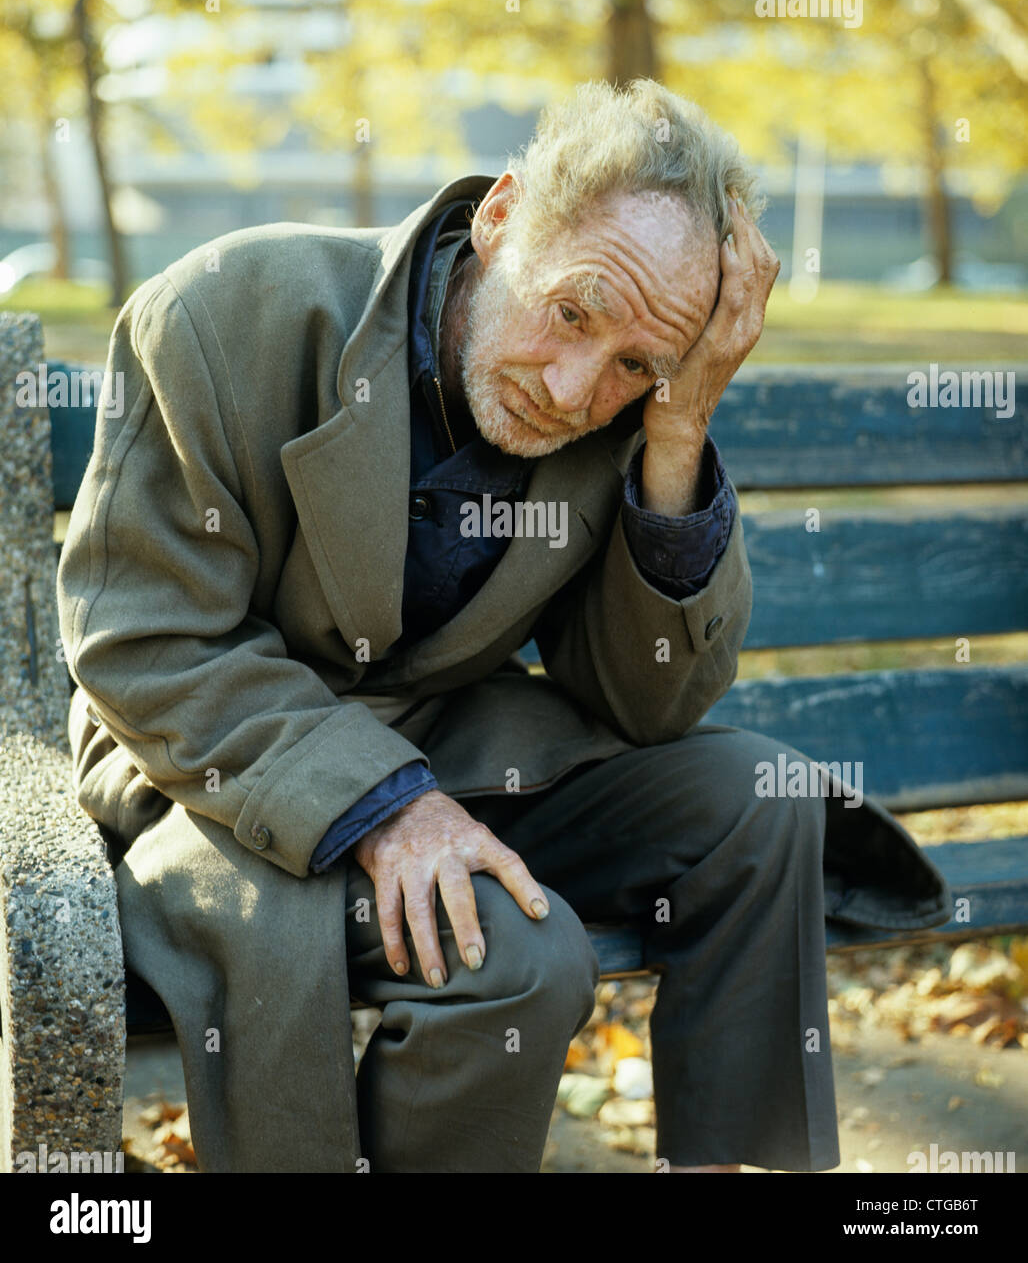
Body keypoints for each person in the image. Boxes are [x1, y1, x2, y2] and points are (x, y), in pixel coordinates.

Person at [57, 78, 950, 1174]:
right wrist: (386, 807)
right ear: (499, 216)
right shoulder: (222, 309)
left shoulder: (625, 403)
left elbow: (648, 700)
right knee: (514, 958)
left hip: (447, 745)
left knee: (757, 809)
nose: (575, 392)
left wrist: (676, 429)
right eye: (571, 312)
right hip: (213, 773)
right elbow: (143, 643)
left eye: (637, 363)